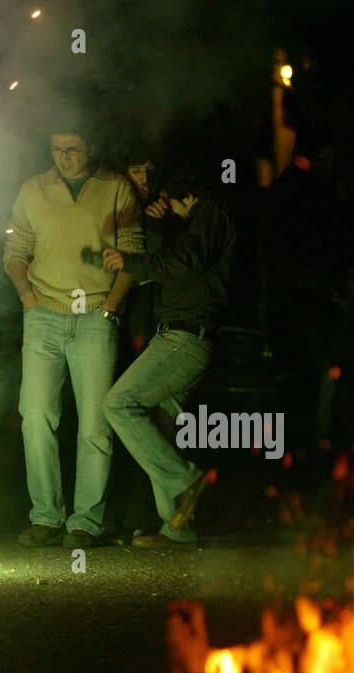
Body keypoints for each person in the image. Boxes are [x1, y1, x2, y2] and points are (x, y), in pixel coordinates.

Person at [3, 118, 144, 548]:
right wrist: (26, 294)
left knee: (94, 425)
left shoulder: (116, 186)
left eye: (74, 150)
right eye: (57, 150)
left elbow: (134, 252)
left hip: (95, 315)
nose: (65, 159)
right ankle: (45, 514)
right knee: (36, 416)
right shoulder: (33, 189)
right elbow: (15, 249)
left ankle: (85, 521)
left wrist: (111, 308)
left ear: (91, 145)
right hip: (43, 312)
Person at [101, 165, 236, 548]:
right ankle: (177, 529)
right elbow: (174, 262)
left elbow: (181, 266)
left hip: (185, 337)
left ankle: (185, 481)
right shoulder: (195, 222)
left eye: (168, 201)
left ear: (185, 195)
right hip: (184, 336)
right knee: (161, 426)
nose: (164, 206)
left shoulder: (210, 215)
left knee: (119, 404)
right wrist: (160, 226)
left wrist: (128, 262)